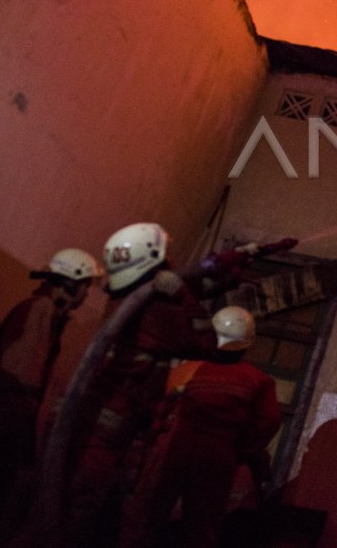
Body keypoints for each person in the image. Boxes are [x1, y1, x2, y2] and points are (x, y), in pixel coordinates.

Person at [62, 223, 217, 548]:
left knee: (64, 509)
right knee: (77, 523)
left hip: (90, 427)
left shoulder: (122, 303)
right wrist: (184, 296)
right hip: (108, 440)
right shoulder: (156, 313)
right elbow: (207, 343)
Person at [118, 305, 280, 548]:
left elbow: (156, 411)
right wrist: (240, 451)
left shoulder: (185, 370)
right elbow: (268, 422)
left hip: (172, 445)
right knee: (202, 528)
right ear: (248, 342)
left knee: (145, 518)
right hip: (218, 454)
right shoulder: (258, 381)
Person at [0, 249, 100, 532]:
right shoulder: (41, 310)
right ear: (72, 283)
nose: (87, 294)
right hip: (4, 425)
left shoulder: (46, 311)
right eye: (86, 286)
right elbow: (18, 380)